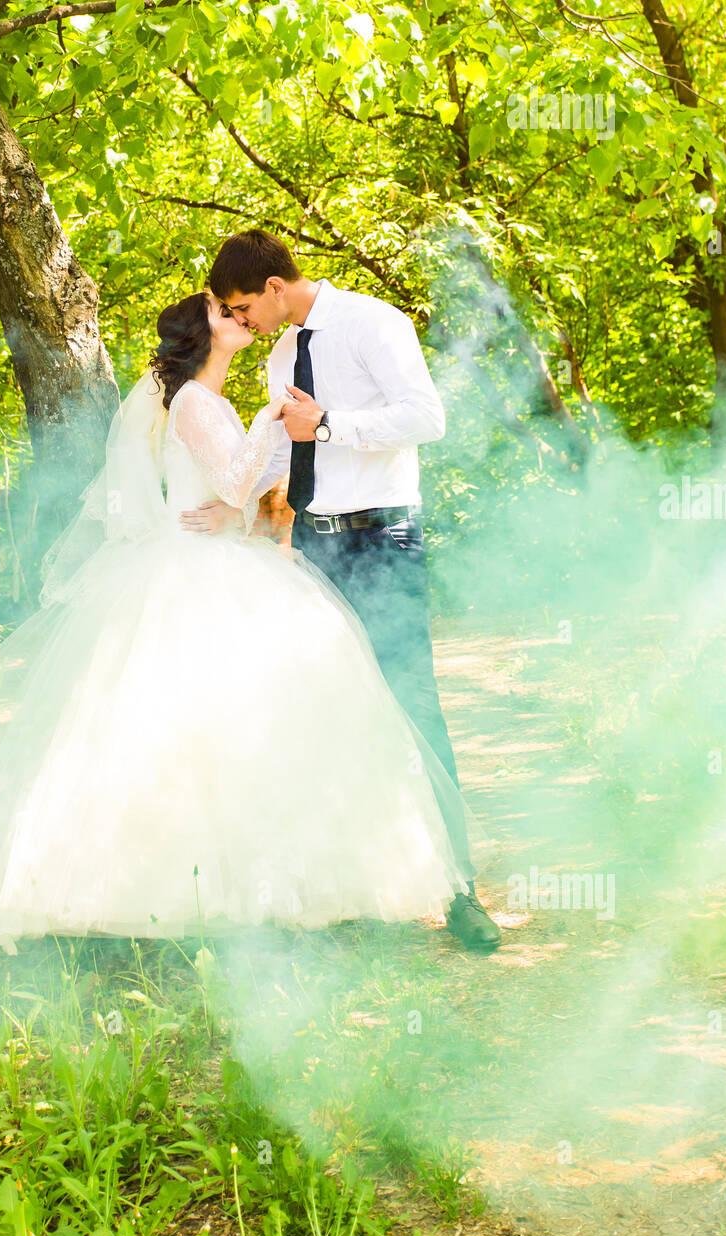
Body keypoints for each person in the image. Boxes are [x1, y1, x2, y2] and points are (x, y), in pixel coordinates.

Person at [0, 290, 484, 955]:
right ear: (199, 335)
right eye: (224, 313)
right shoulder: (191, 402)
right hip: (194, 574)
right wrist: (275, 420)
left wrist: (241, 497)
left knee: (253, 729)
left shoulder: (204, 403)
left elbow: (232, 495)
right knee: (200, 732)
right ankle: (195, 894)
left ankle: (269, 887)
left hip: (219, 555)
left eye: (240, 310)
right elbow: (240, 480)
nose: (240, 319)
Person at [189, 229, 500, 951]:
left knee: (411, 702)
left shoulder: (372, 322)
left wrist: (329, 424)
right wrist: (232, 508)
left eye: (243, 306)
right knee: (331, 711)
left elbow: (428, 417)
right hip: (318, 543)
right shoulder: (276, 356)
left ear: (273, 285)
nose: (242, 322)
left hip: (383, 535)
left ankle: (462, 895)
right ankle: (359, 892)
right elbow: (278, 451)